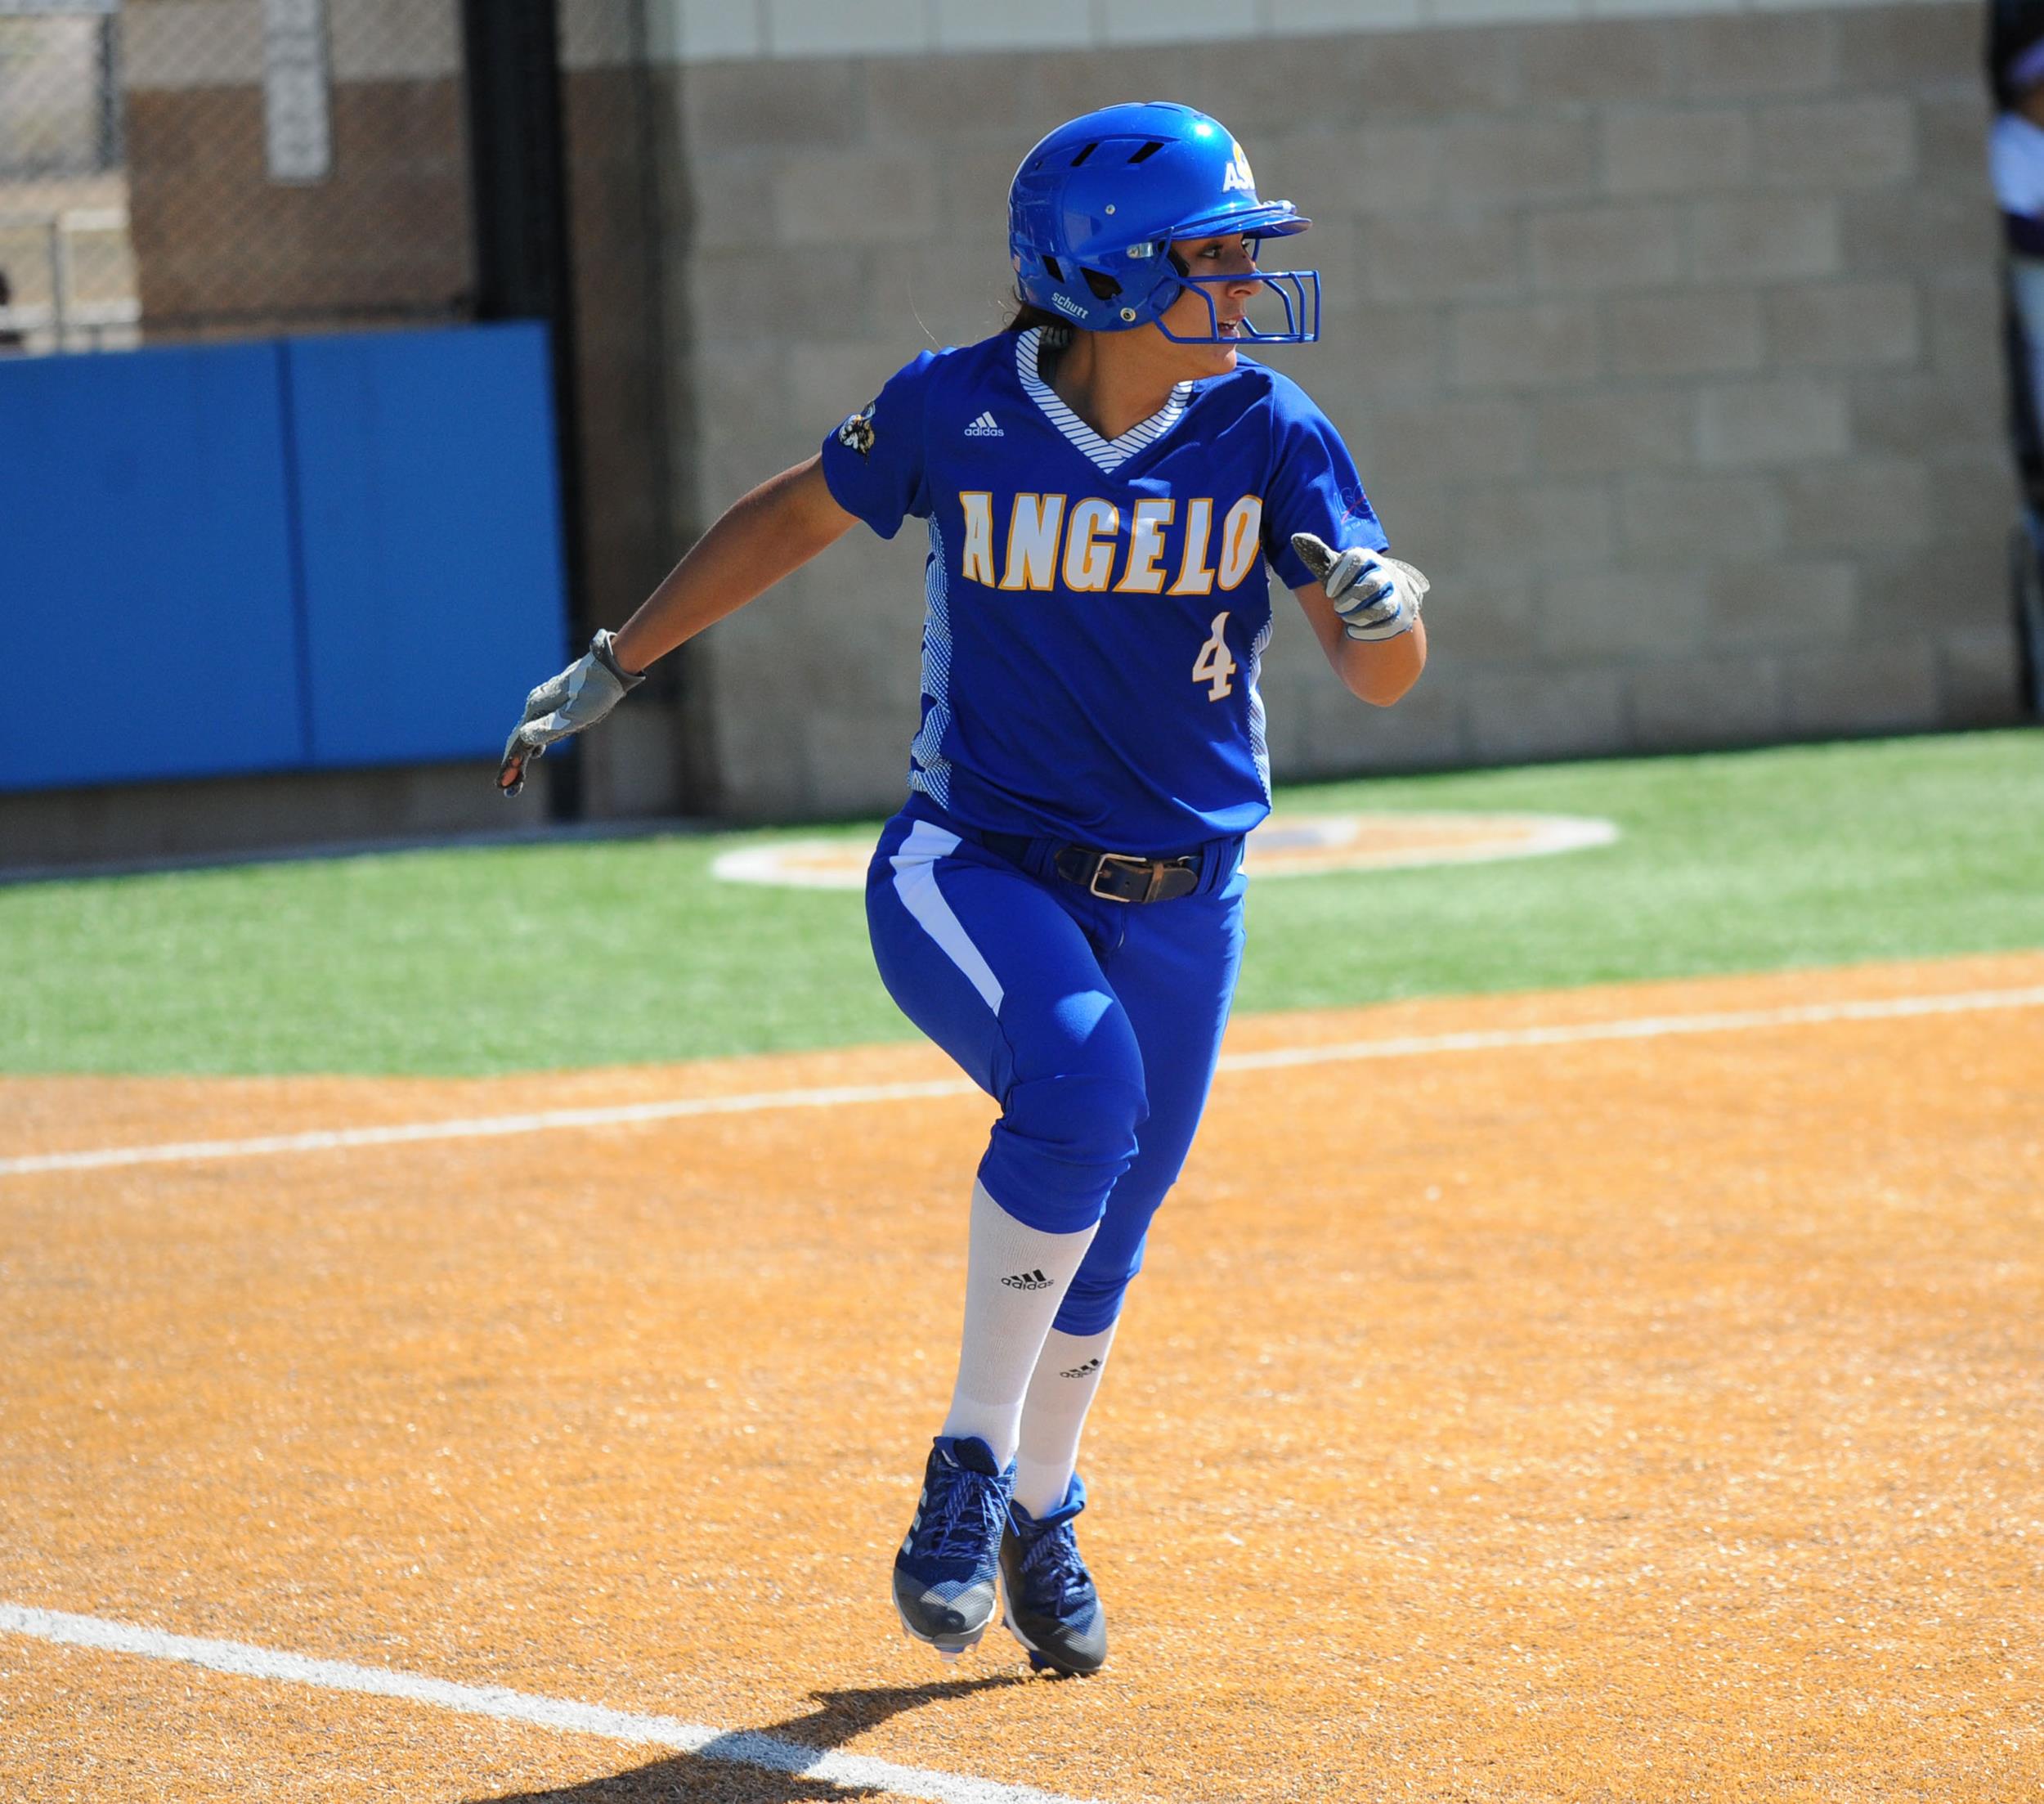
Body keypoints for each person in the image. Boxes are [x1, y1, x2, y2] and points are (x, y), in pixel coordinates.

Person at [497, 101, 1428, 1676]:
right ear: (1106, 273)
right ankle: (968, 1468)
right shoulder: (958, 409)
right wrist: (614, 662)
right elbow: (792, 511)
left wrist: (1382, 606)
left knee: (1116, 1210)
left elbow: (1382, 675)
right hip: (972, 860)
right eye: (1212, 253)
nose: (1245, 281)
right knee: (1080, 1091)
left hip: (1189, 890)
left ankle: (1045, 1505)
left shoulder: (1271, 428)